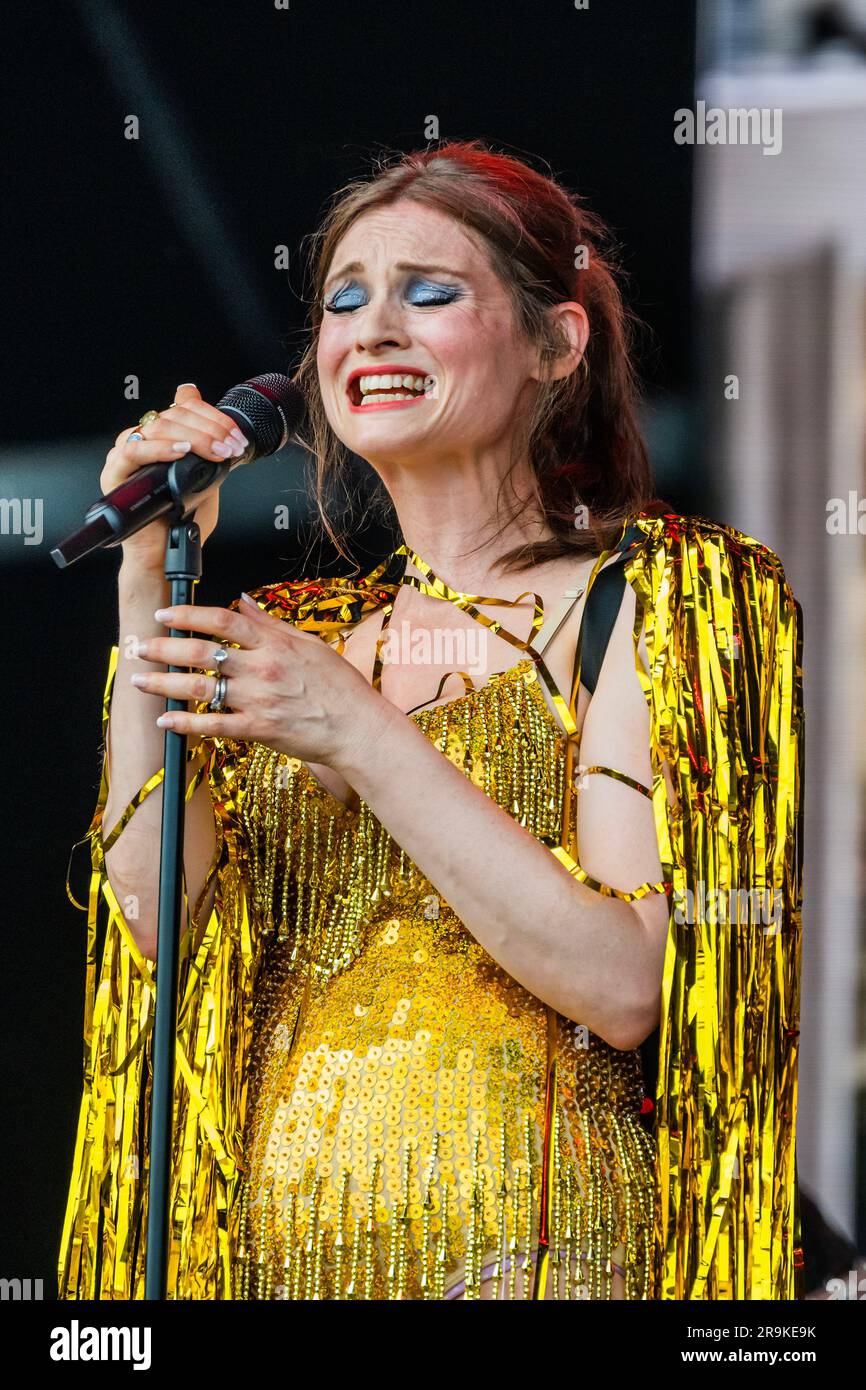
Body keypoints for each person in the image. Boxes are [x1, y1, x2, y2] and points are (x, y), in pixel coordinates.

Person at [57, 140, 804, 1301]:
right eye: (343, 299)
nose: (372, 327)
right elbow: (165, 929)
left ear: (557, 342)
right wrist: (148, 578)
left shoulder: (654, 597)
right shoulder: (288, 645)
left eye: (429, 291)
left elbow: (625, 983)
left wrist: (360, 730)